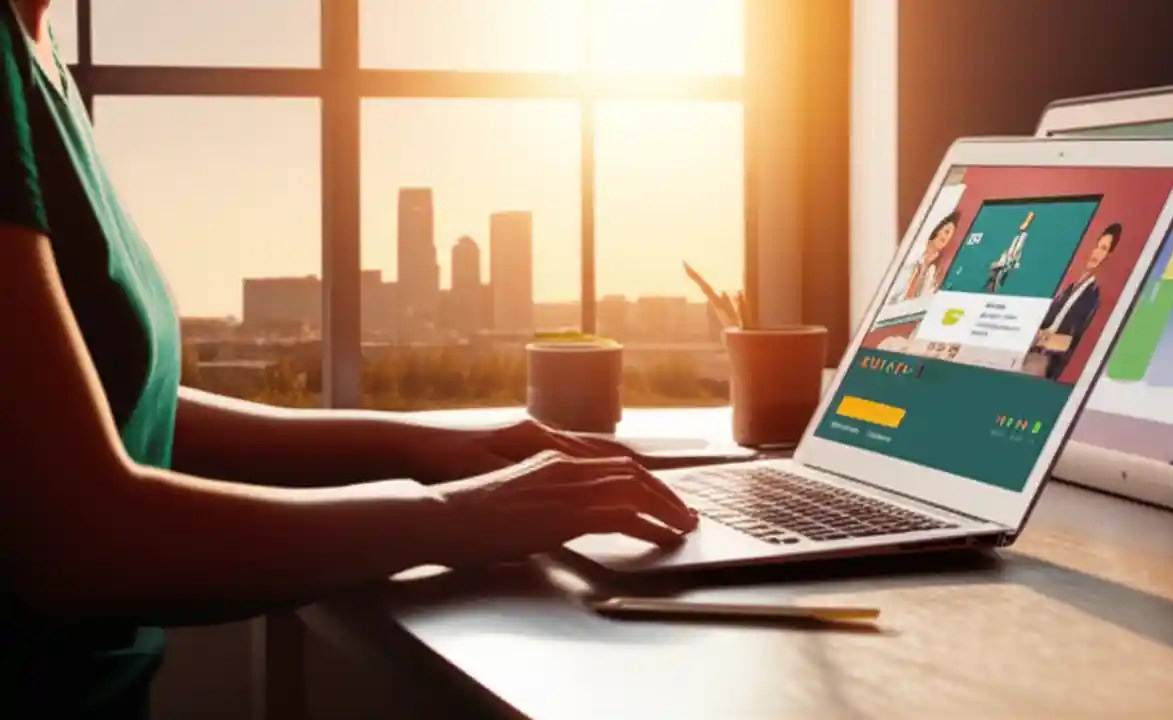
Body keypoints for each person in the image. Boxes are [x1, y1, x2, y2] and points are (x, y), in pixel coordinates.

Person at [0, 2, 696, 717]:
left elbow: (118, 406)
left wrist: (424, 448)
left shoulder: (36, 42)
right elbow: (78, 537)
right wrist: (452, 515)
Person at [1029, 223, 1123, 381]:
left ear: (1109, 256)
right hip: (1033, 351)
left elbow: (1071, 342)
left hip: (1047, 361)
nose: (1097, 253)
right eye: (1098, 246)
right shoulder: (1069, 289)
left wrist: (1044, 339)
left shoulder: (1093, 297)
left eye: (1104, 249)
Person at [902, 210, 961, 300]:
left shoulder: (934, 269)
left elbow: (913, 298)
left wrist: (924, 268)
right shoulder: (915, 249)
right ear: (938, 229)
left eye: (950, 236)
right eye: (946, 231)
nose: (946, 238)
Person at [985, 210, 1035, 292]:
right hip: (1012, 258)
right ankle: (1029, 219)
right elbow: (1009, 270)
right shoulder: (999, 281)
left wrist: (1001, 264)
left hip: (1008, 257)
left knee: (1020, 235)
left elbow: (993, 266)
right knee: (1021, 239)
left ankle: (1029, 219)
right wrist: (1013, 265)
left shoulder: (994, 270)